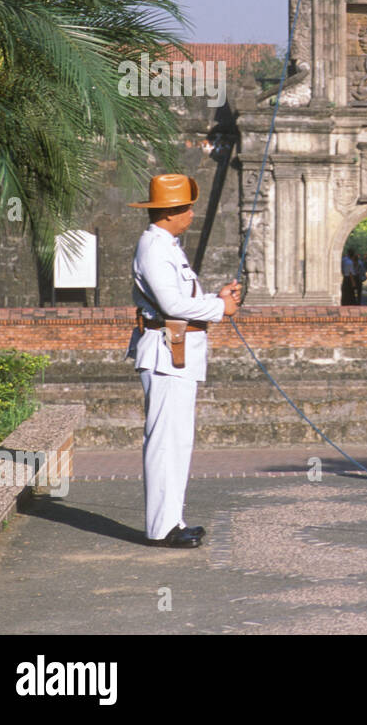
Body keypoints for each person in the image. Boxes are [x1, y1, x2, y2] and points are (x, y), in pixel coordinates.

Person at [127, 174, 242, 547]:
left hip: (178, 353)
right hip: (165, 354)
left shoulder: (168, 245)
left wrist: (214, 297)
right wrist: (219, 307)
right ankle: (161, 529)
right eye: (187, 208)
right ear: (171, 212)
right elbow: (172, 305)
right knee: (164, 442)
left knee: (177, 442)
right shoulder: (155, 248)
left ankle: (171, 519)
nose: (192, 213)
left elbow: (179, 297)